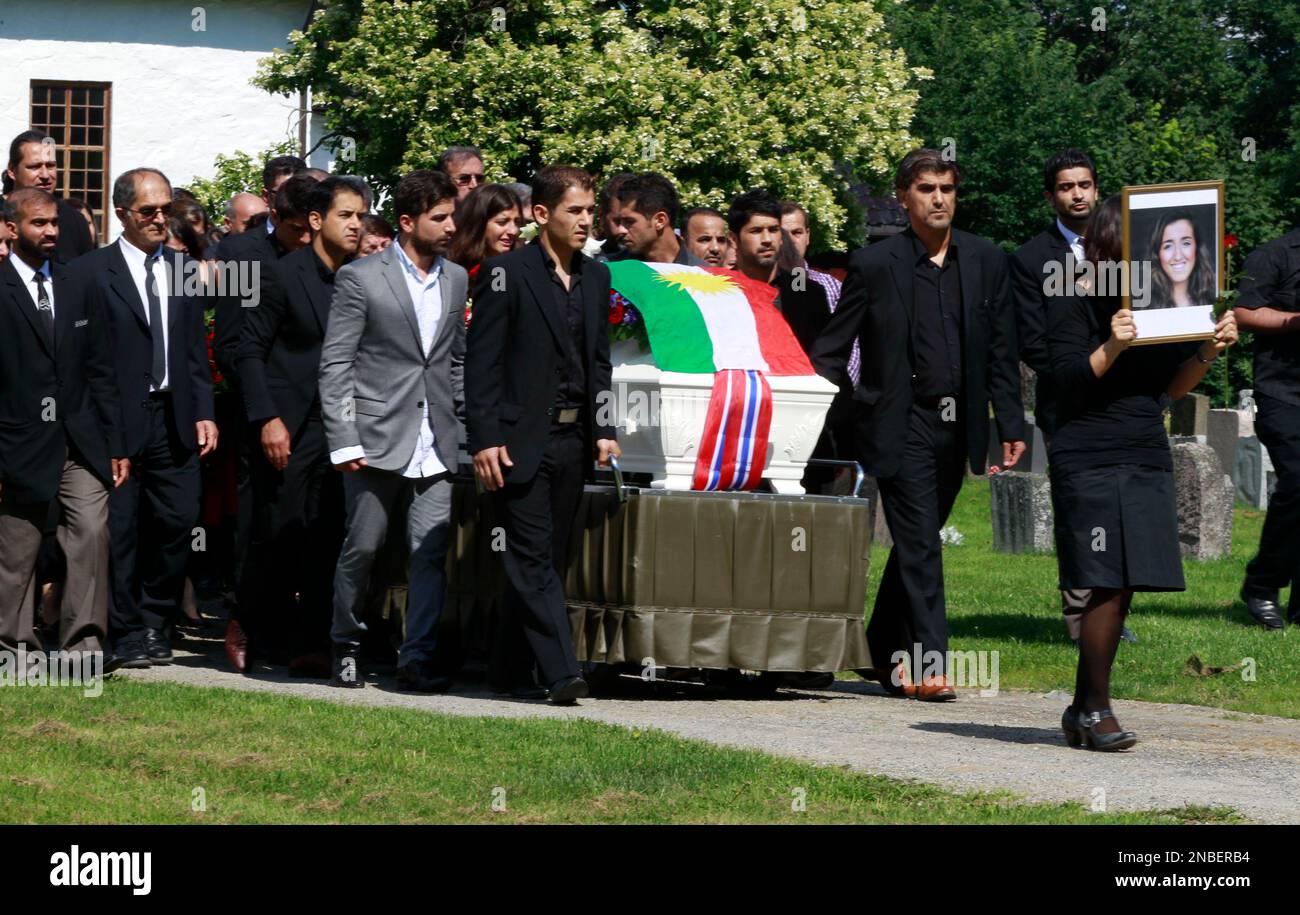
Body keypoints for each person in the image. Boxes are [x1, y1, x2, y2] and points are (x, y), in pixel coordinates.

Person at [811, 148, 1026, 701]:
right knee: (922, 546)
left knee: (917, 541)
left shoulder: (985, 261)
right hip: (900, 420)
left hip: (959, 425)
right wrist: (828, 410)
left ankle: (880, 649)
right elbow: (834, 348)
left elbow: (1001, 351)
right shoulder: (875, 265)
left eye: (947, 189)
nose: (938, 199)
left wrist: (1011, 422)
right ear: (903, 197)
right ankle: (931, 663)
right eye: (926, 189)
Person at [1047, 196, 1238, 748]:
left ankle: (1083, 710)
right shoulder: (1069, 293)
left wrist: (1207, 349)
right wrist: (1112, 344)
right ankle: (1096, 710)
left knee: (1125, 581)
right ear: (1111, 246)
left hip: (1142, 445)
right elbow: (1064, 383)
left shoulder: (1156, 305)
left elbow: (1165, 392)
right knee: (1104, 577)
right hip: (1087, 448)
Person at [466, 164, 620, 704]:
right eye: (573, 211)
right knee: (531, 558)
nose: (585, 222)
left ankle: (506, 667)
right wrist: (484, 438)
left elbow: (598, 362)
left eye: (589, 212)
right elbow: (480, 366)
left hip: (574, 441)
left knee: (546, 560)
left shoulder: (598, 277)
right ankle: (562, 671)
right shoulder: (505, 273)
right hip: (517, 442)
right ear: (541, 215)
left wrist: (604, 427)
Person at [319, 169, 468, 692]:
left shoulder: (457, 278)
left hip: (437, 439)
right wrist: (344, 438)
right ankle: (346, 645)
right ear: (407, 222)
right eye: (440, 217)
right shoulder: (360, 277)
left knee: (429, 552)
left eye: (453, 216)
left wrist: (463, 426)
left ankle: (417, 658)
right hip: (374, 434)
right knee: (363, 547)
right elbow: (336, 363)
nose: (452, 226)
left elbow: (451, 362)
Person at [72, 168, 217, 667]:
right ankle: (128, 629)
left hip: (175, 416)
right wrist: (101, 433)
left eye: (166, 210)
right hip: (117, 423)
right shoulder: (91, 272)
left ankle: (157, 620)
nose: (160, 220)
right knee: (124, 529)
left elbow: (195, 349)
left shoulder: (182, 270)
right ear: (121, 215)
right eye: (148, 212)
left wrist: (204, 410)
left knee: (178, 520)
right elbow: (84, 361)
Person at [237, 176, 364, 677]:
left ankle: (310, 639)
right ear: (316, 221)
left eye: (361, 216)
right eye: (346, 215)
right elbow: (247, 351)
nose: (356, 225)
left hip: (341, 425)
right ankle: (248, 624)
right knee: (279, 530)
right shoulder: (280, 274)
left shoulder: (361, 278)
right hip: (288, 420)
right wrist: (268, 418)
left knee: (328, 531)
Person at [0, 189, 128, 663]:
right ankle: (12, 646)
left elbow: (101, 368)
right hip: (19, 442)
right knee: (19, 547)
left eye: (54, 222)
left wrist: (116, 442)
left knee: (92, 531)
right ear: (12, 229)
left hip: (81, 438)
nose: (51, 231)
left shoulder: (78, 285)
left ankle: (83, 645)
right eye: (39, 223)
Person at [210, 171, 320, 670]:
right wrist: (262, 410)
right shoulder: (242, 256)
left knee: (302, 524)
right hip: (259, 409)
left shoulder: (328, 261)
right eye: (297, 229)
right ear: (276, 217)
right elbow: (234, 344)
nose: (305, 239)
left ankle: (292, 629)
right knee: (258, 522)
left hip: (314, 413)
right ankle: (246, 618)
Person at [1011, 148, 1100, 640]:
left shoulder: (1123, 249)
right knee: (1076, 508)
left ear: (1096, 189)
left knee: (1115, 509)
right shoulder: (1030, 259)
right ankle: (1080, 615)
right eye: (1066, 187)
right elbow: (1032, 342)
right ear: (1051, 196)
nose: (1077, 194)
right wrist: (1082, 373)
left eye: (1084, 184)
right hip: (1066, 404)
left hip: (1124, 403)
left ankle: (1110, 613)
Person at [1235, 227, 1300, 628]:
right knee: (1298, 482)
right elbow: (1242, 312)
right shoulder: (1274, 254)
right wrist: (1295, 321)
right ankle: (1262, 584)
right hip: (1284, 392)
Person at [4, 131, 94, 263]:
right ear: (12, 170)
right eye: (34, 167)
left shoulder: (75, 221)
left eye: (50, 166)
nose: (45, 175)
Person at [607, 172, 703, 265]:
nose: (620, 230)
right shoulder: (612, 270)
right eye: (620, 221)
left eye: (629, 221)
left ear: (660, 221)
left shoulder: (705, 276)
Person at [447, 183, 522, 281]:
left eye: (517, 222)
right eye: (502, 222)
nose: (513, 231)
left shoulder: (518, 268)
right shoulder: (448, 267)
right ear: (479, 224)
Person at [1146, 211, 1216, 309]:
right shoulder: (1143, 305)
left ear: (1197, 248)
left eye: (1186, 243)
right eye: (1168, 246)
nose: (1178, 256)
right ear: (1157, 253)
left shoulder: (1215, 299)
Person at [727, 189, 782, 283]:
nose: (767, 239)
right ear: (734, 239)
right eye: (756, 231)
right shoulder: (717, 294)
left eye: (773, 230)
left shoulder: (803, 292)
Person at [594, 172, 633, 261]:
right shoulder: (593, 265)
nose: (624, 230)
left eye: (630, 221)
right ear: (601, 216)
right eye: (618, 221)